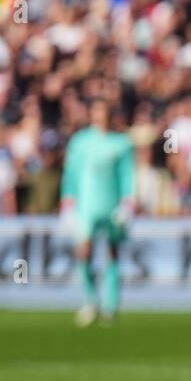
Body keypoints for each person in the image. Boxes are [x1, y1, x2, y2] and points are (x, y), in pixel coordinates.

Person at [60, 100, 136, 326]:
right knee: (84, 251)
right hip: (86, 205)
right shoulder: (81, 141)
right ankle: (90, 299)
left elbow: (127, 175)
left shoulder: (121, 143)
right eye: (97, 111)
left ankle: (110, 305)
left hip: (111, 204)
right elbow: (72, 174)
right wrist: (67, 202)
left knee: (112, 253)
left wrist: (128, 204)